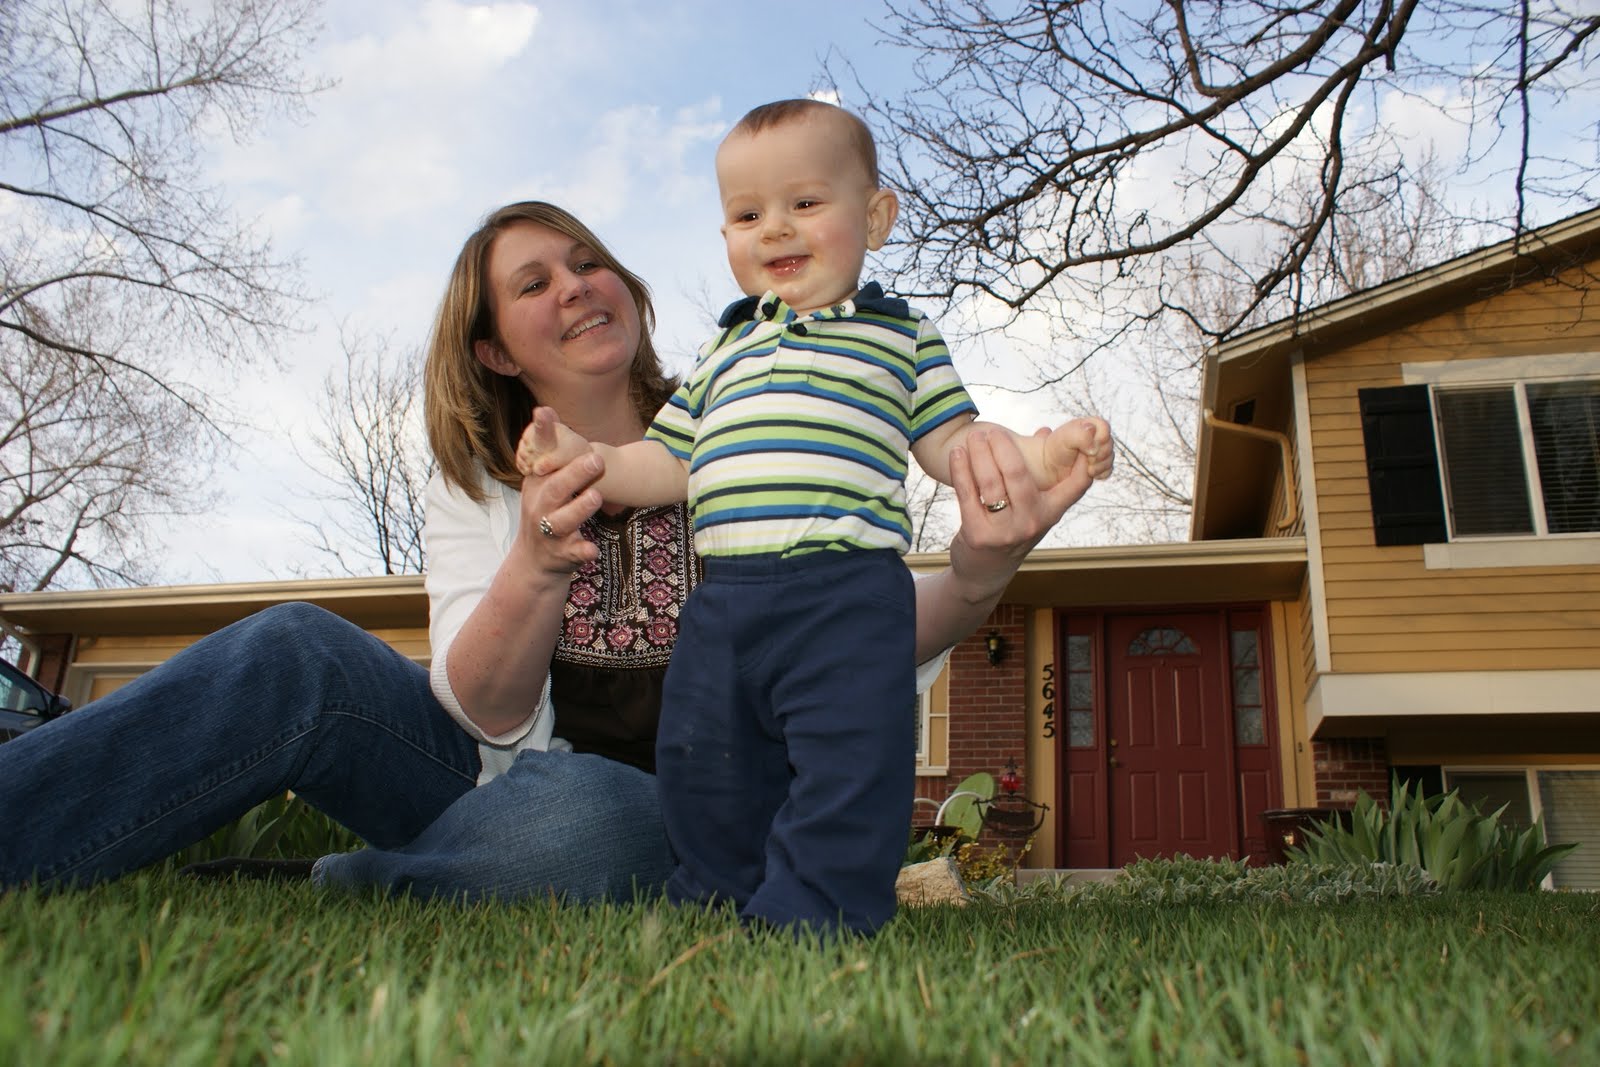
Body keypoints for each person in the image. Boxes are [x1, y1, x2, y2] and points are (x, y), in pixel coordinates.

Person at [0, 199, 1104, 904]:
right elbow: (477, 711)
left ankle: (349, 879)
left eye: (587, 263)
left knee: (600, 820)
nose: (576, 286)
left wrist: (979, 566)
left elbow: (850, 628)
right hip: (473, 775)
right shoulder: (480, 475)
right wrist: (537, 555)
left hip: (666, 805)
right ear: (493, 347)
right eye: (534, 284)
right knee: (293, 650)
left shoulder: (751, 413)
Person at [517, 99, 1113, 934]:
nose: (775, 230)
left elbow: (952, 441)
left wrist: (1033, 456)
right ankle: (719, 892)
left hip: (845, 591)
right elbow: (664, 462)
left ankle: (817, 908)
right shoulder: (722, 351)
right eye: (747, 214)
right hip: (721, 600)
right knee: (703, 761)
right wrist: (583, 458)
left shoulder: (901, 335)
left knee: (847, 762)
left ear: (874, 216)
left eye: (804, 203)